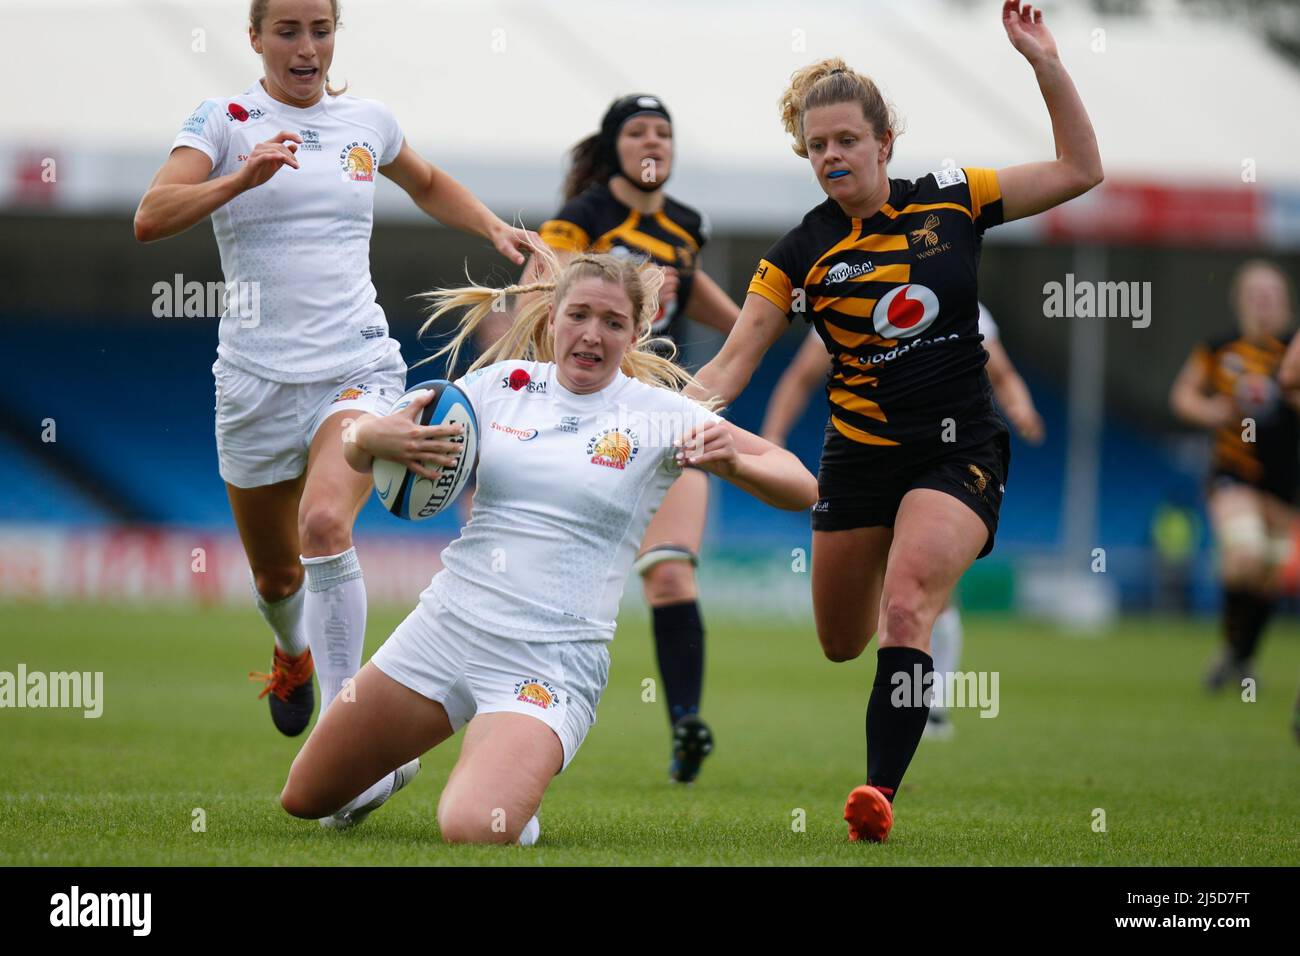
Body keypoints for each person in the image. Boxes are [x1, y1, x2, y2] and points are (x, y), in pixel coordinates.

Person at [689, 1, 1103, 842]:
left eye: (846, 140)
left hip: (959, 450)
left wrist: (1044, 63)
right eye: (816, 146)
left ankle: (877, 793)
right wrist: (656, 419)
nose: (831, 156)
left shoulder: (954, 198)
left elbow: (1079, 169)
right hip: (859, 458)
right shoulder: (796, 256)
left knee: (906, 609)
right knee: (842, 642)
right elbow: (731, 365)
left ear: (885, 142)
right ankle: (900, 641)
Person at [277, 253, 817, 842]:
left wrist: (736, 461)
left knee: (470, 827)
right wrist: (365, 437)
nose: (591, 334)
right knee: (306, 798)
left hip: (548, 661)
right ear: (552, 317)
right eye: (578, 314)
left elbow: (800, 482)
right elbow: (373, 447)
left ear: (638, 331)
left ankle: (508, 781)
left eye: (612, 322)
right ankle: (392, 769)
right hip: (446, 627)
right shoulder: (498, 386)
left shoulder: (660, 414)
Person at [133, 0, 539, 759]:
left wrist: (490, 224)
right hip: (253, 385)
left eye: (320, 29)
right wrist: (239, 179)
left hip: (354, 370)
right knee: (277, 578)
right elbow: (150, 215)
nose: (306, 46)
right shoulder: (222, 119)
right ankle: (293, 656)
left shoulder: (368, 122)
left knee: (324, 524)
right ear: (254, 38)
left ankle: (343, 738)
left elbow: (425, 180)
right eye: (287, 30)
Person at [501, 94, 742, 782]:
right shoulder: (582, 220)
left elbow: (694, 294)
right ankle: (514, 704)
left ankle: (686, 725)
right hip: (581, 418)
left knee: (670, 571)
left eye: (664, 131)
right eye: (638, 131)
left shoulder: (685, 225)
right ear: (615, 146)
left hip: (660, 412)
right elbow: (535, 293)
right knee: (542, 569)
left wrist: (765, 319)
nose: (653, 141)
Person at [760, 303, 1044, 740]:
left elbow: (1001, 373)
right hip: (862, 460)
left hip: (938, 461)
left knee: (922, 594)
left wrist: (1021, 407)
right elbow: (801, 376)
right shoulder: (846, 297)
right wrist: (775, 436)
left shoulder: (961, 302)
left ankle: (934, 701)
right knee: (860, 621)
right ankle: (913, 695)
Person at [1178, 259, 1298, 691]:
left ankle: (1240, 657)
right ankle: (1234, 650)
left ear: (1285, 300)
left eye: (1272, 295)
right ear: (1241, 300)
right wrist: (1212, 410)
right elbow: (1184, 395)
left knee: (1268, 573)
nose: (1264, 303)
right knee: (1244, 555)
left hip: (1285, 477)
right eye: (1255, 295)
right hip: (1233, 472)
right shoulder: (1220, 348)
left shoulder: (1292, 350)